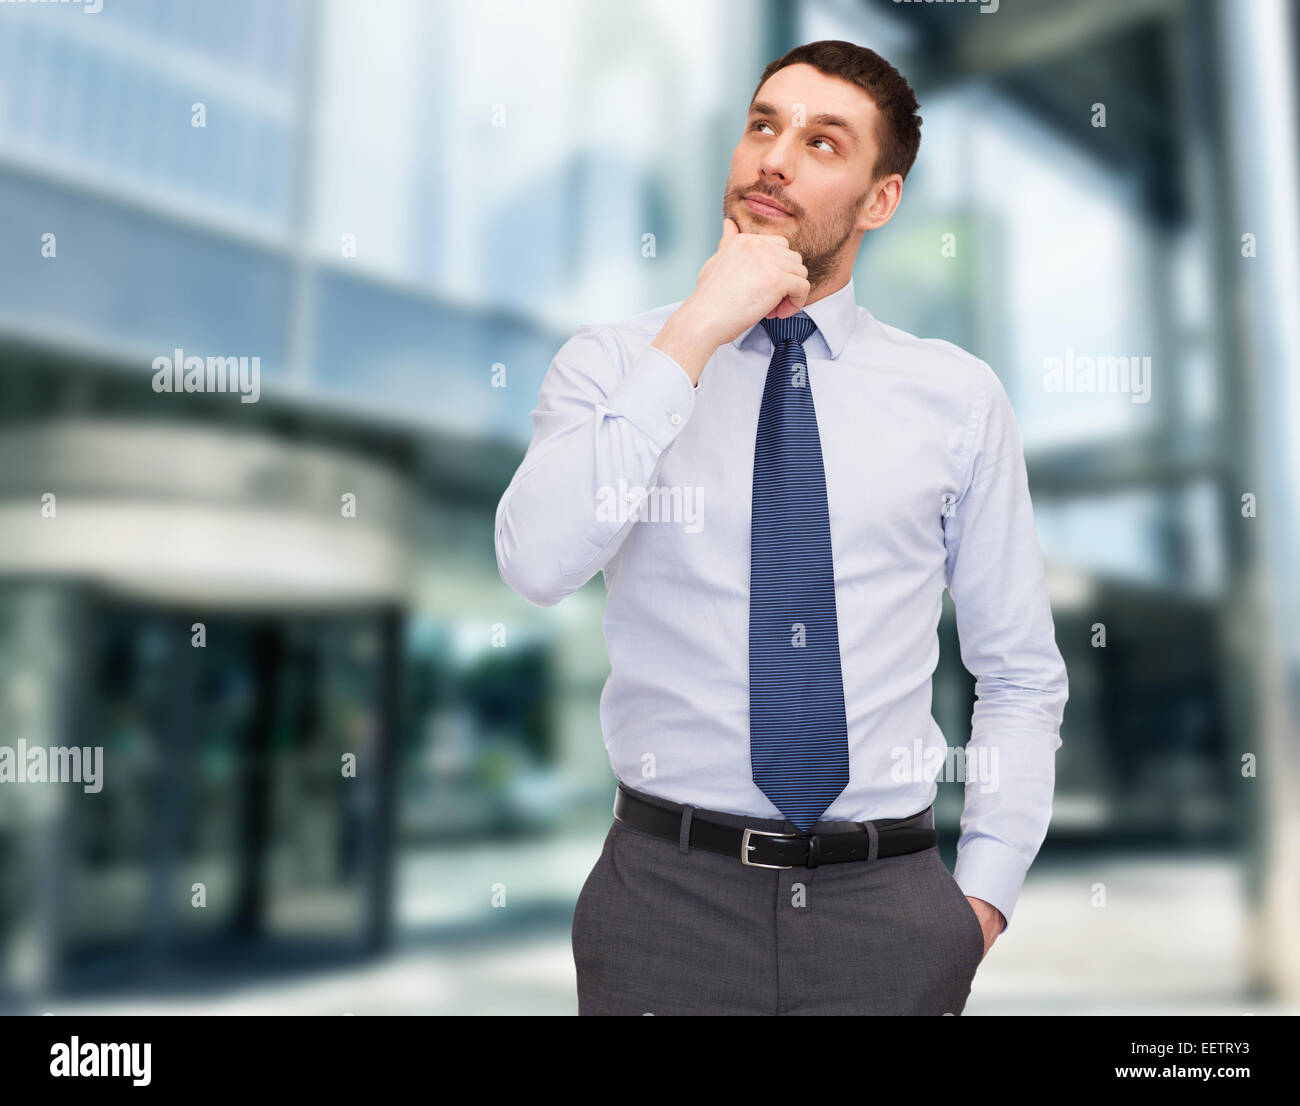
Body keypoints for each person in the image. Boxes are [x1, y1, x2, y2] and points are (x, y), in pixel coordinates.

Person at [495, 39, 1068, 1015]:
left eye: (821, 141)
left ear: (879, 199)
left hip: (886, 908)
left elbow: (1015, 668)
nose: (774, 157)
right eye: (763, 124)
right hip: (663, 902)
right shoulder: (613, 364)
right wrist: (692, 335)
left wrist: (980, 900)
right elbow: (535, 563)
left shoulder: (954, 397)